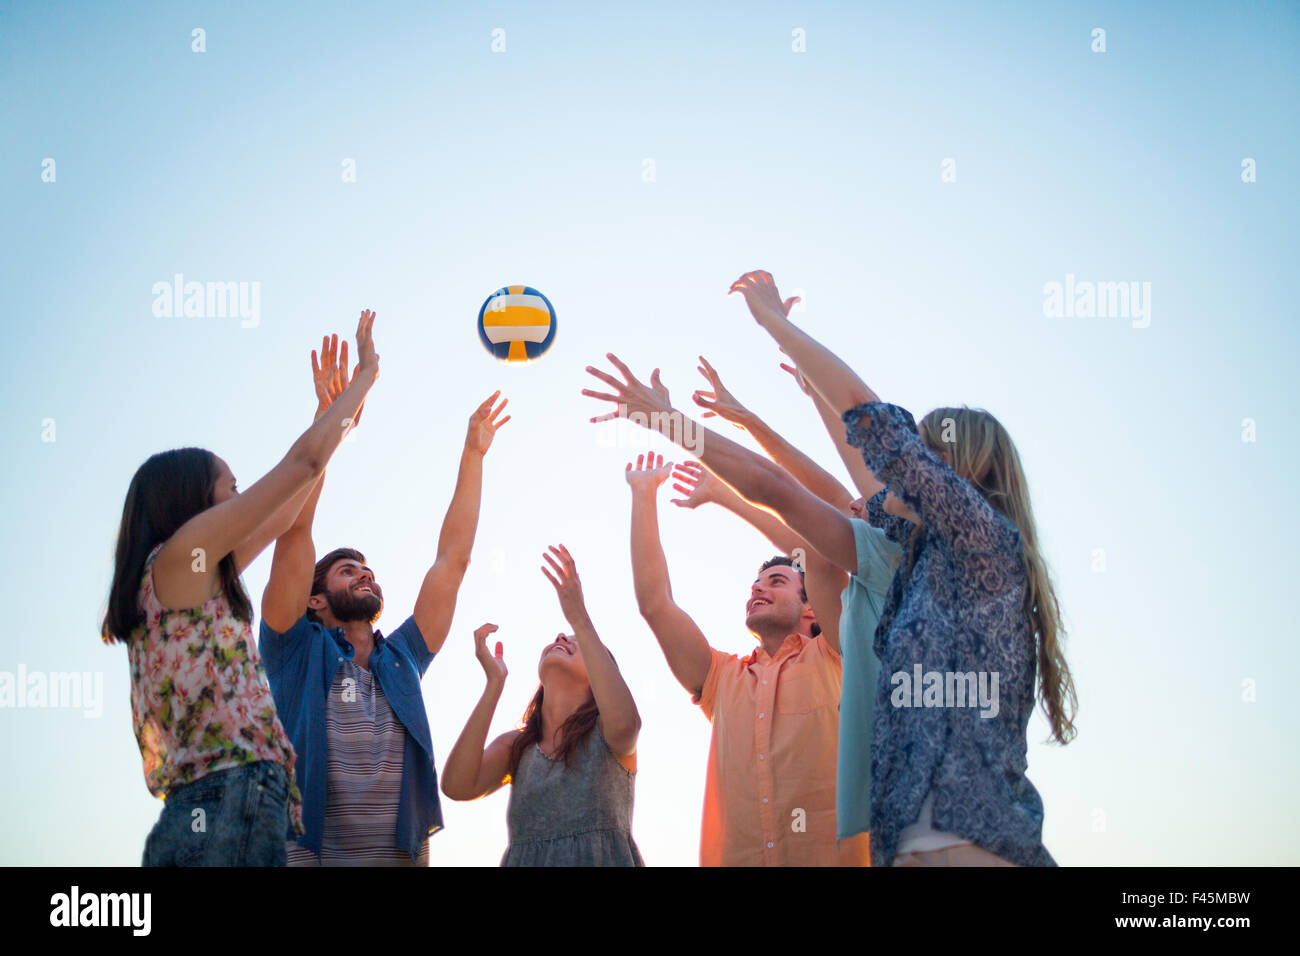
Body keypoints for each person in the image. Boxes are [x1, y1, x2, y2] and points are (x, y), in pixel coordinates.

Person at [690, 269, 1078, 866]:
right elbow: (793, 491)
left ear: (953, 473)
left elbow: (870, 425)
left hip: (981, 850)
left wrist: (774, 323)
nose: (894, 469)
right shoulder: (914, 563)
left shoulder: (983, 546)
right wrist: (670, 421)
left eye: (921, 455)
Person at [101, 309, 379, 866]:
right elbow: (300, 465)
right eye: (230, 484)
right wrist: (365, 377)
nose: (241, 493)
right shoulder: (182, 558)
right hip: (231, 802)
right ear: (190, 499)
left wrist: (333, 419)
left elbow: (285, 513)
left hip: (207, 810)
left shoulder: (193, 572)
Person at [258, 334, 510, 866]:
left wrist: (472, 454)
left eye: (368, 570)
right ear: (315, 602)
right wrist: (331, 422)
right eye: (348, 572)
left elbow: (452, 561)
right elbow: (296, 533)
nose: (365, 575)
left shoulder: (403, 659)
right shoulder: (293, 648)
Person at [614, 450, 861, 866]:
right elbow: (656, 604)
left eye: (776, 582)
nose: (757, 590)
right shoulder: (721, 679)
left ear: (811, 608)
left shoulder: (837, 653)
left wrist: (725, 497)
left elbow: (817, 554)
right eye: (754, 584)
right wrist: (643, 495)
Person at [441, 544, 644, 867]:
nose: (564, 636)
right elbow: (456, 785)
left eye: (579, 644)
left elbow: (627, 724)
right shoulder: (517, 747)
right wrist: (494, 685)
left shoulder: (609, 737)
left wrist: (579, 618)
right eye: (565, 635)